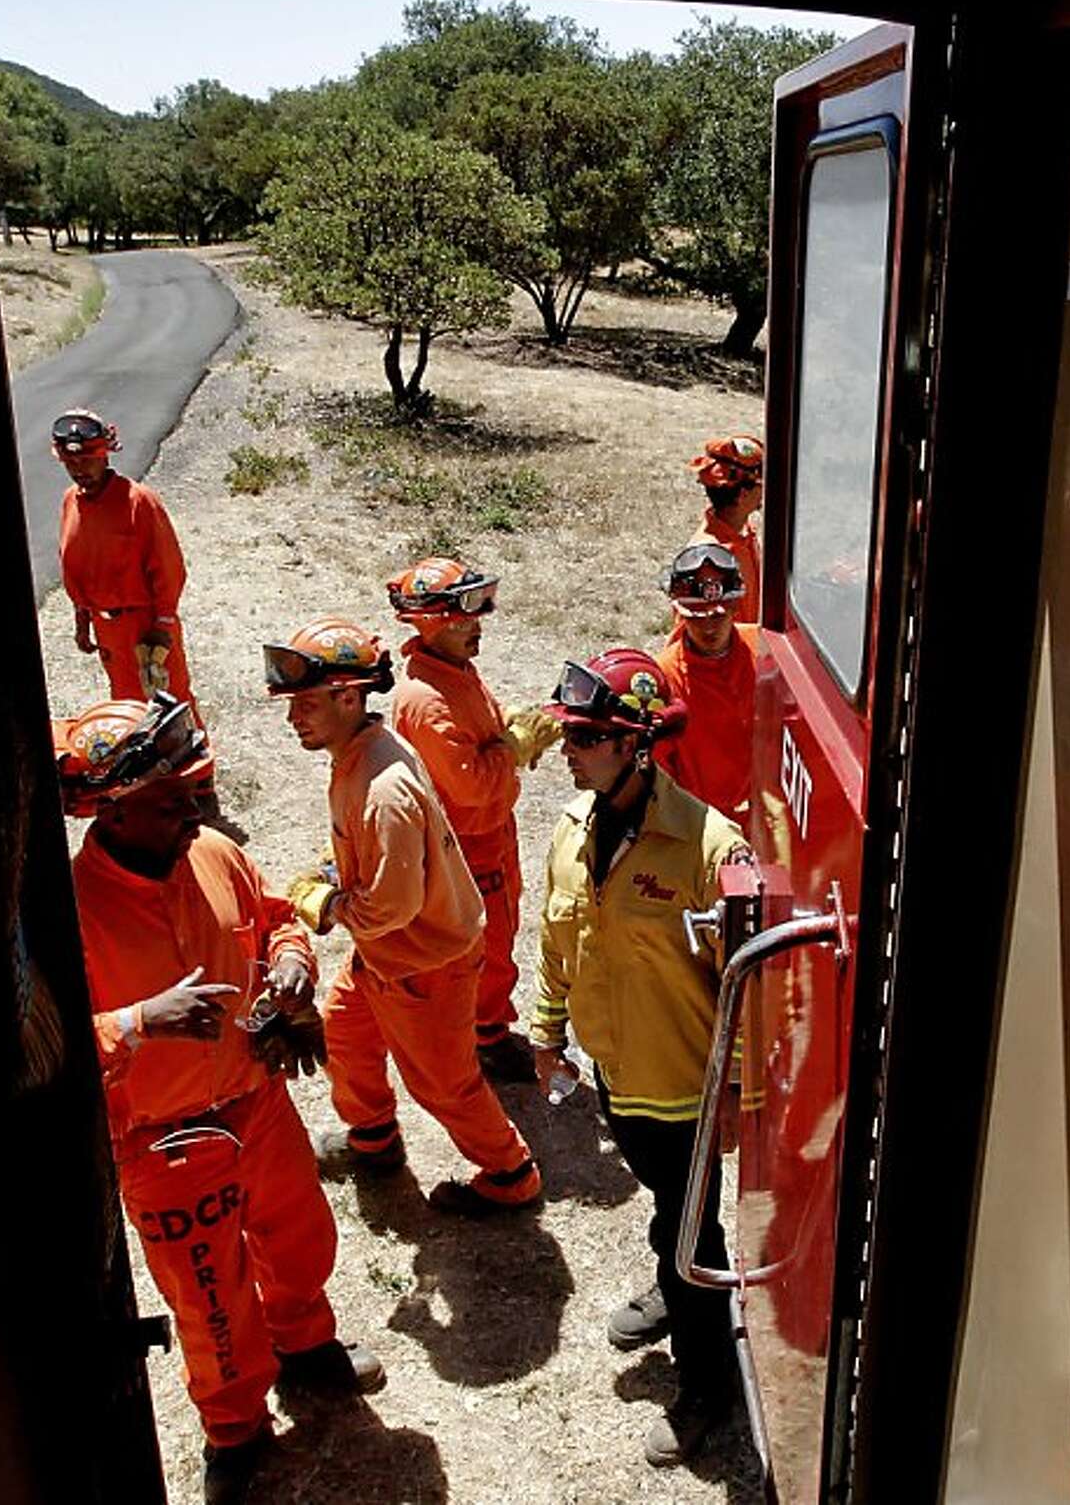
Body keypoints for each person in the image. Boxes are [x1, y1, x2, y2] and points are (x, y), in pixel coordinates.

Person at [55, 694, 379, 1505]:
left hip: (256, 1104)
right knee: (207, 1297)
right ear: (115, 808)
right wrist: (137, 1022)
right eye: (172, 802)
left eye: (196, 794)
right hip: (164, 1145)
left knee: (299, 1238)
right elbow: (51, 1049)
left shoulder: (213, 853)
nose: (194, 812)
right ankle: (234, 1424)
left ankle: (306, 1343)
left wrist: (294, 965)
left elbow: (274, 921)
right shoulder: (70, 912)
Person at [528, 649, 752, 1466]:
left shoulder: (709, 848)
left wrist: (738, 1092)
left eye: (587, 736)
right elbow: (558, 944)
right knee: (669, 1212)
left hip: (685, 1093)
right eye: (568, 733)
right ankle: (673, 1270)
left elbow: (748, 986)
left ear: (636, 743)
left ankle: (708, 1387)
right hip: (615, 1079)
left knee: (693, 1240)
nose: (569, 749)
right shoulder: (571, 829)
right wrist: (549, 1036)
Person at [263, 616, 543, 1216]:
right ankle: (374, 1140)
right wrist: (335, 873)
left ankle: (511, 1173)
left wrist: (327, 904)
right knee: (344, 1031)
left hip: (424, 964)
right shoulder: (360, 753)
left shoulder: (380, 787)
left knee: (445, 1084)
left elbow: (390, 907)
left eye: (306, 704)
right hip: (390, 957)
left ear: (348, 696)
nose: (294, 719)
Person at [382, 557, 562, 1083]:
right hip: (470, 844)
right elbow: (474, 783)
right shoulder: (429, 702)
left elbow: (486, 725)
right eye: (465, 619)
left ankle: (484, 1026)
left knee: (499, 936)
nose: (477, 626)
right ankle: (485, 1037)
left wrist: (519, 724)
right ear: (434, 623)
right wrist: (514, 745)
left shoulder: (455, 673)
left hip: (491, 837)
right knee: (484, 945)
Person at [53, 407, 219, 815]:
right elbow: (72, 563)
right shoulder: (70, 502)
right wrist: (81, 621)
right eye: (72, 462)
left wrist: (162, 625)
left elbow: (169, 568)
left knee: (170, 700)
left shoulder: (138, 501)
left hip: (145, 624)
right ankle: (151, 789)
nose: (80, 469)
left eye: (87, 459)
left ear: (105, 454)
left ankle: (200, 786)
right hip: (106, 626)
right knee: (129, 709)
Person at [652, 543, 760, 823]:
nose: (709, 627)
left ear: (736, 606)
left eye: (718, 616)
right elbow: (659, 770)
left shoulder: (764, 650)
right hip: (702, 826)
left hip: (766, 820)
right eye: (696, 617)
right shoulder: (665, 676)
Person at [687, 434, 763, 627]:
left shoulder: (743, 533)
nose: (764, 492)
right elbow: (710, 638)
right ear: (744, 494)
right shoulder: (710, 561)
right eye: (760, 485)